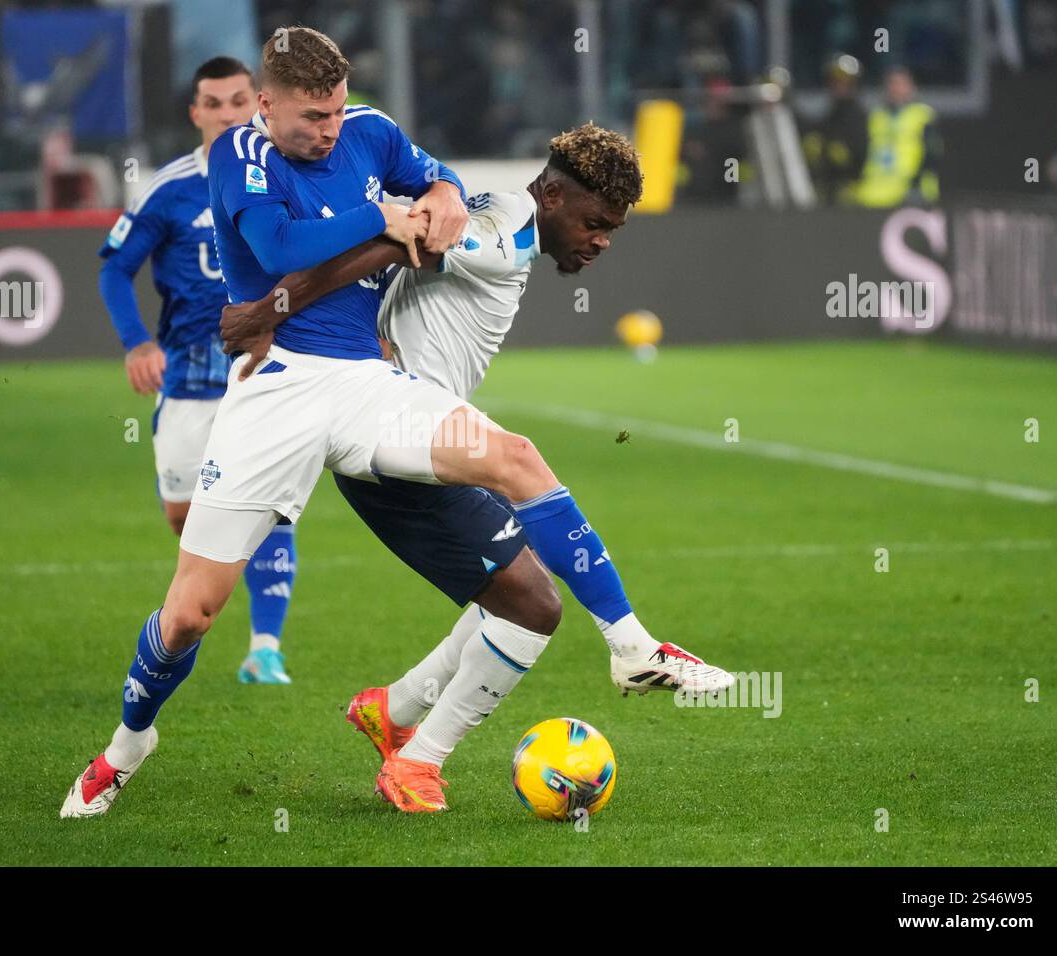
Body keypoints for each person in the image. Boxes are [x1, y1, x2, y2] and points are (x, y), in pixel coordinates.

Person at [59, 25, 668, 819]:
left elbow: (435, 176)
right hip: (275, 390)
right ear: (266, 104)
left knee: (514, 456)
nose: (330, 130)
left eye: (339, 111)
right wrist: (388, 215)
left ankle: (628, 641)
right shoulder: (236, 159)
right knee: (190, 613)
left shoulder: (370, 131)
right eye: (313, 116)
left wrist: (441, 196)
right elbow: (280, 245)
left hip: (368, 383)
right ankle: (127, 744)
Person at [220, 122, 736, 812]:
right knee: (533, 590)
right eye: (595, 222)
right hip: (395, 440)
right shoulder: (504, 236)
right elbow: (384, 241)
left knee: (521, 586)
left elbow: (397, 240)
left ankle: (394, 710)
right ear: (551, 196)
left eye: (612, 229)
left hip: (400, 433)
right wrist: (272, 309)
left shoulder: (498, 216)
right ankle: (432, 755)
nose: (601, 240)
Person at [97, 56, 296, 685]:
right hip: (185, 377)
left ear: (258, 105)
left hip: (265, 369)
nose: (229, 113)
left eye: (240, 101)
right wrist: (136, 343)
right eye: (215, 103)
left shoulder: (284, 174)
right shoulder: (169, 188)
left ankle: (266, 647)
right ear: (196, 113)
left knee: (268, 508)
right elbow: (112, 267)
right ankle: (199, 603)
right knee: (185, 516)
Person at [855, 65, 941, 207]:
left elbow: (933, 152)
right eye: (892, 84)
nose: (896, 89)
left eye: (901, 84)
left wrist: (916, 183)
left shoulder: (923, 115)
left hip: (913, 190)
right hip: (875, 192)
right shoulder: (876, 117)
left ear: (911, 87)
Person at [802, 54, 868, 206]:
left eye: (845, 82)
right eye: (835, 82)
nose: (839, 86)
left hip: (855, 194)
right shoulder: (826, 117)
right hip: (824, 192)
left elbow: (861, 156)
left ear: (855, 84)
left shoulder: (861, 118)